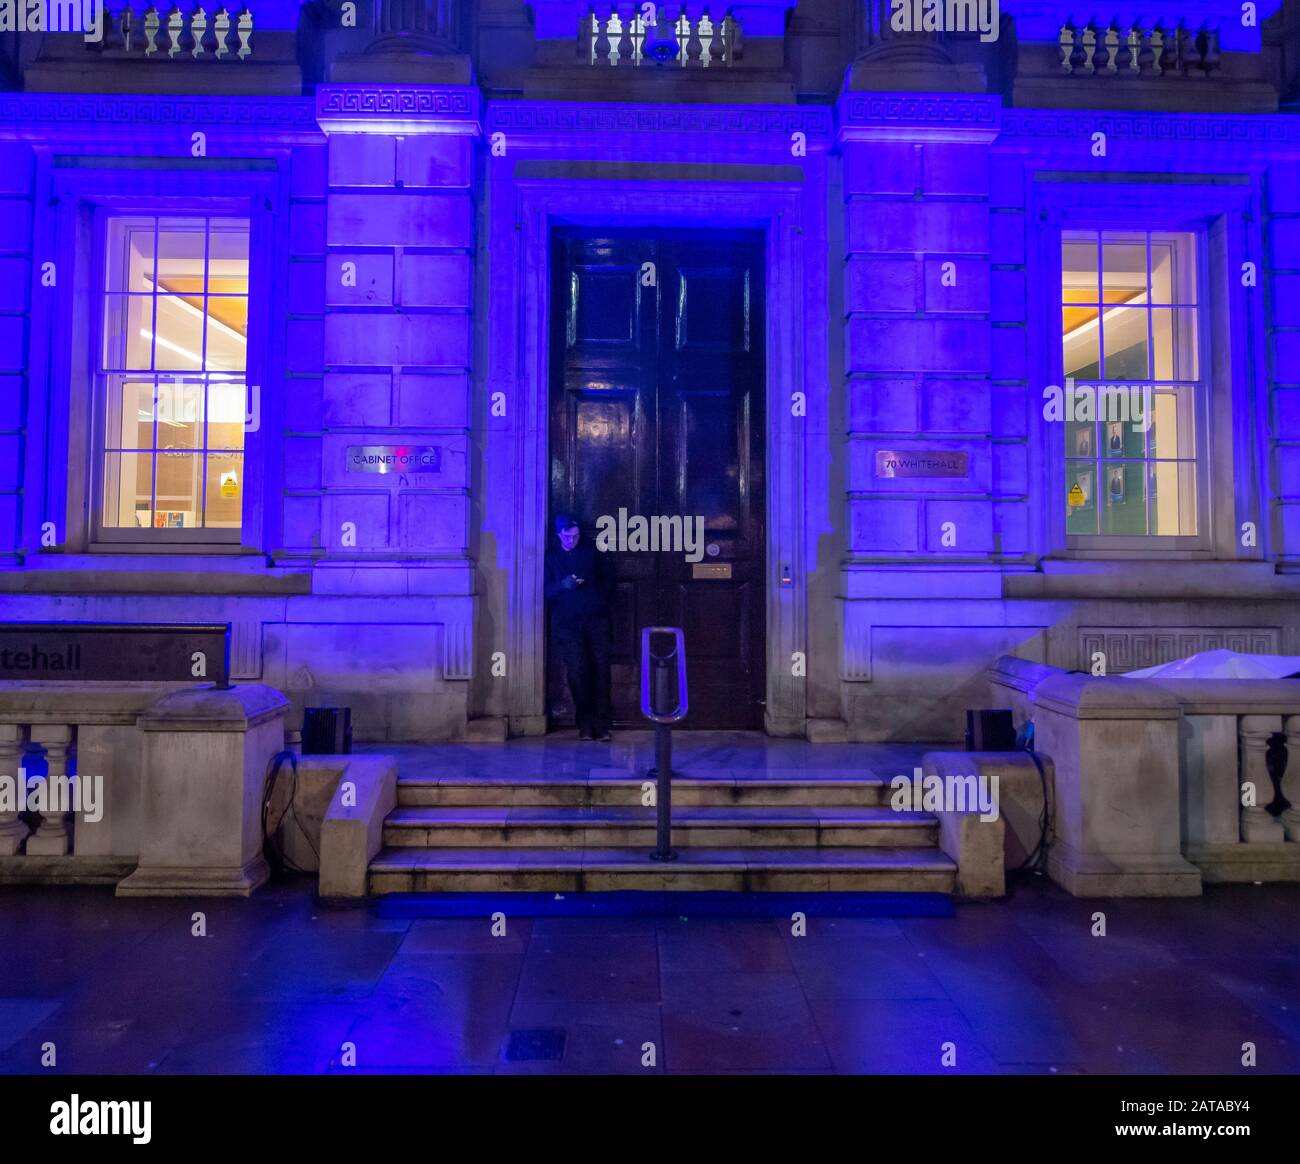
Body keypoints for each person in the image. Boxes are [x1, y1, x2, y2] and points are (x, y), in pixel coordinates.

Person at [544, 514, 613, 741]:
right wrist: (564, 585)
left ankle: (602, 724)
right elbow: (545, 591)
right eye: (567, 537)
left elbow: (608, 579)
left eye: (575, 536)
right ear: (559, 534)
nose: (571, 541)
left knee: (601, 671)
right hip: (567, 623)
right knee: (578, 671)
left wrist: (597, 597)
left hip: (595, 619)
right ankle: (584, 723)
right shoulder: (551, 557)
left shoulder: (591, 553)